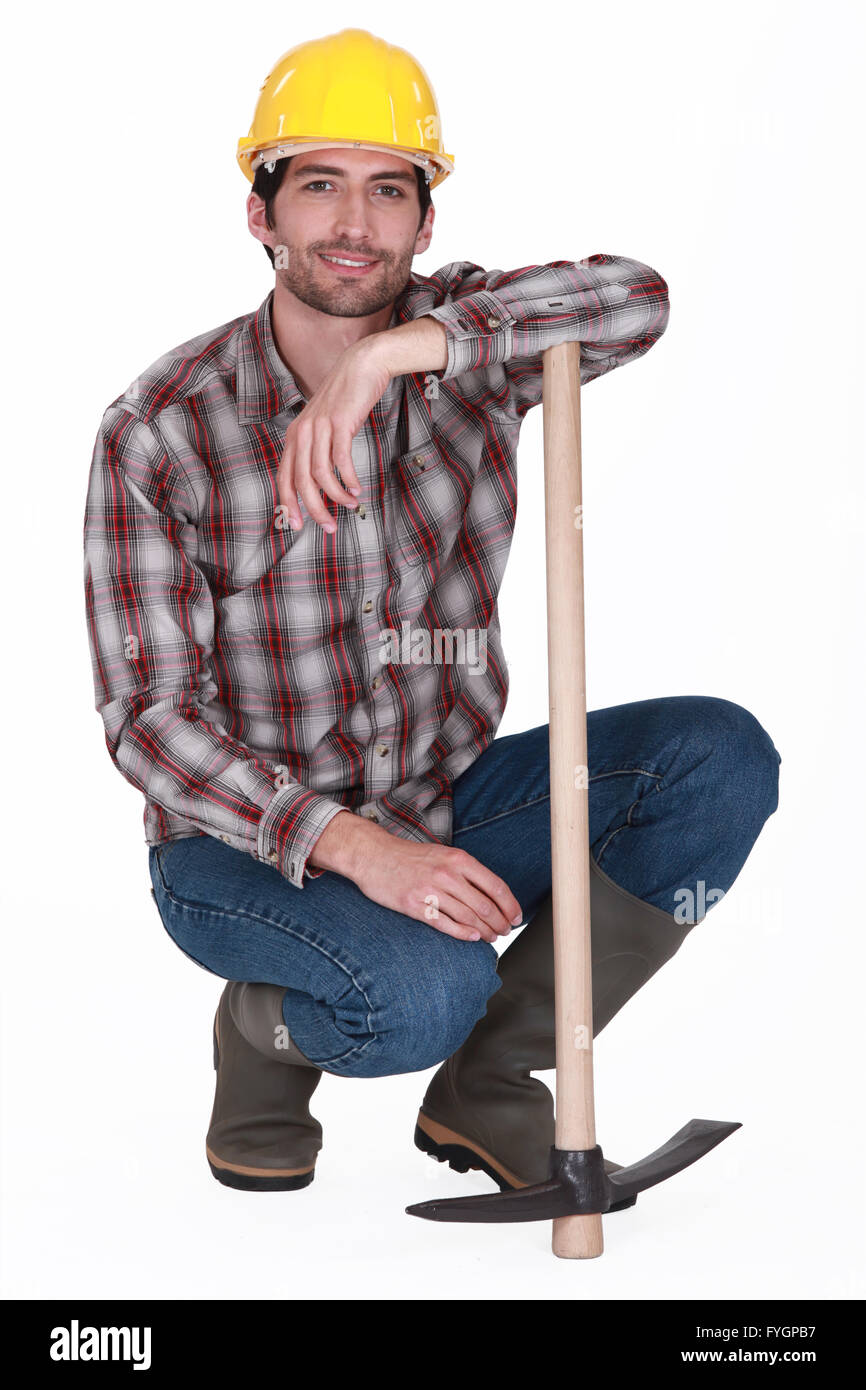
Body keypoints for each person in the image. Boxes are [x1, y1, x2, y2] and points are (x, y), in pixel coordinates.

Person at [83, 27, 781, 1196]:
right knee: (418, 997)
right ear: (261, 215)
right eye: (318, 187)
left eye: (387, 191)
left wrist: (390, 357)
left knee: (713, 758)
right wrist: (359, 852)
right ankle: (263, 1030)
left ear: (423, 222)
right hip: (243, 848)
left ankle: (492, 1087)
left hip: (437, 795)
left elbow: (636, 298)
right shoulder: (163, 426)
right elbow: (145, 721)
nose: (353, 224)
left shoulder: (474, 347)